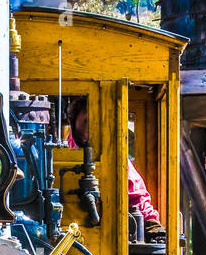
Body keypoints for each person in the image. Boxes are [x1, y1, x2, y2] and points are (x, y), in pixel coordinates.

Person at [68, 99, 165, 243]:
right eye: (87, 121)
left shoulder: (113, 154)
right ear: (75, 121)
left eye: (97, 121)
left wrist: (151, 222)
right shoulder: (64, 151)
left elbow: (135, 192)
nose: (91, 127)